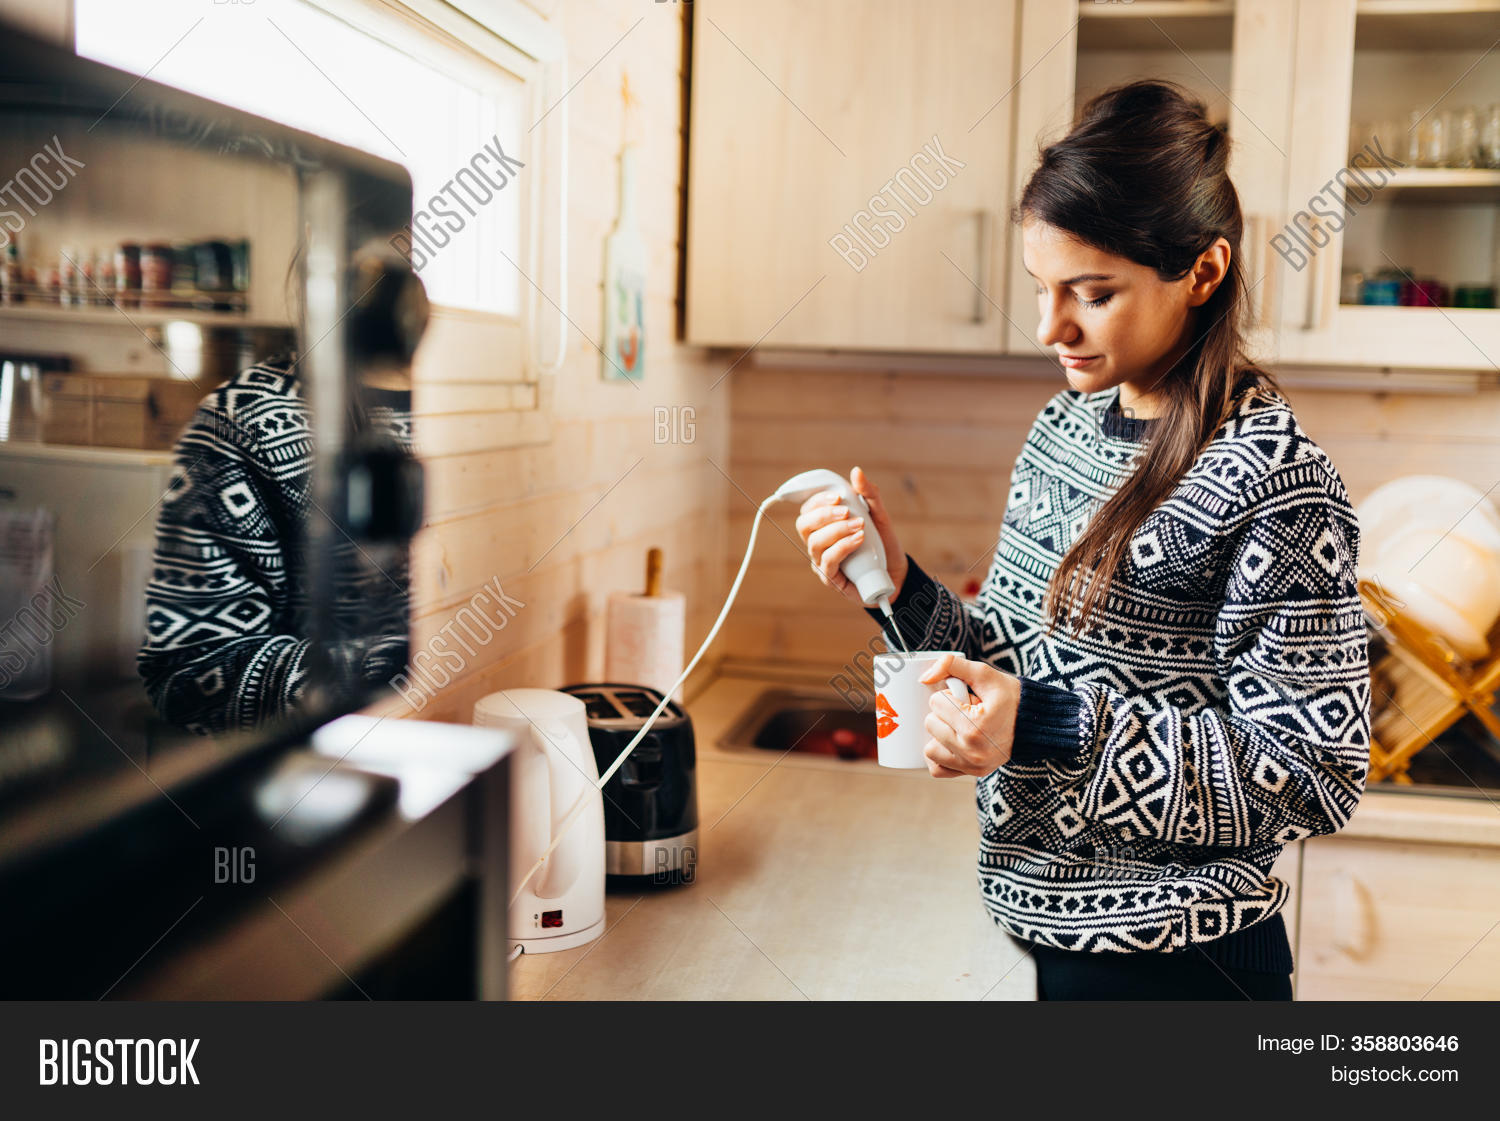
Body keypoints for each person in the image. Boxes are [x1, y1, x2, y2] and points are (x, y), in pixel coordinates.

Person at [795, 80, 1370, 1000]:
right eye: (1041, 289)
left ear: (1203, 274)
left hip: (1183, 967)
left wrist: (1047, 724)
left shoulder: (1276, 482)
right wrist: (898, 586)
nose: (1048, 328)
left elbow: (1315, 771)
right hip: (1039, 931)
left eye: (1092, 294)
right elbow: (1012, 664)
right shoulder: (1064, 427)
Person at [138, 351, 413, 736]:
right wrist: (398, 671)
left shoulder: (497, 407)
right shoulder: (244, 419)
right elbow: (190, 673)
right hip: (325, 776)